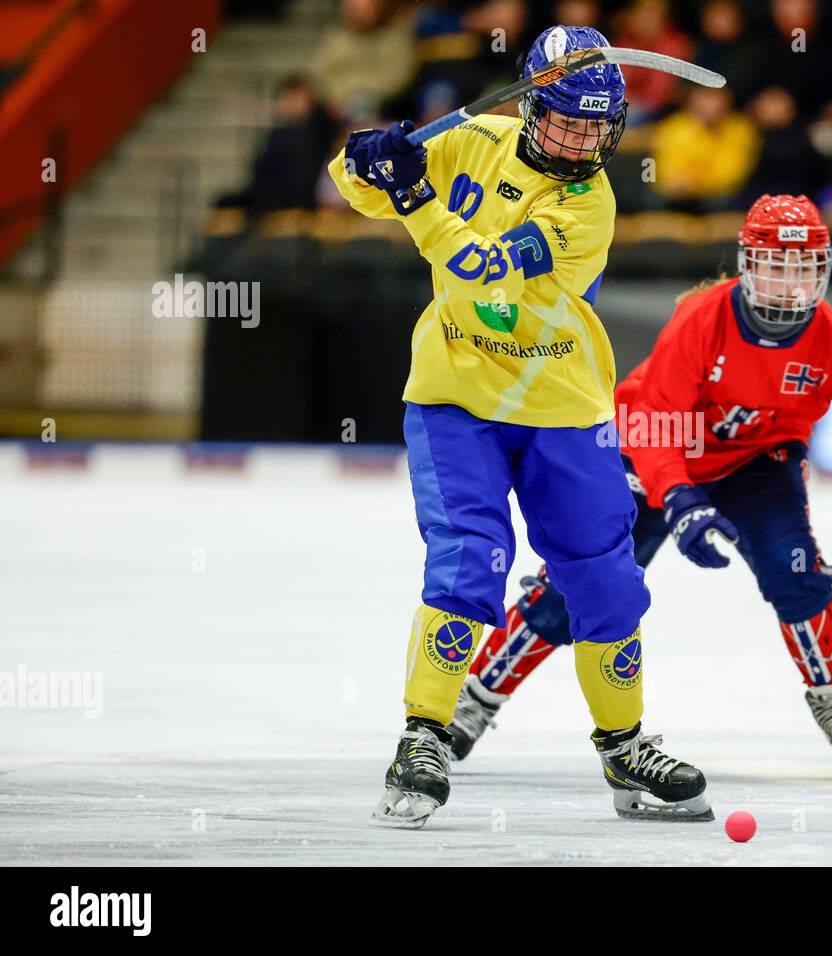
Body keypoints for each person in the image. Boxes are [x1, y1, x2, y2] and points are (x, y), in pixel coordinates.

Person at [327, 25, 711, 826]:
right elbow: (357, 185)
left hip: (562, 406)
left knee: (604, 577)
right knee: (472, 557)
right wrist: (368, 157)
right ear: (534, 105)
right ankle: (425, 735)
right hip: (455, 397)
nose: (579, 142)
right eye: (566, 121)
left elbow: (481, 269)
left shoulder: (590, 204)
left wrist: (413, 198)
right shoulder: (471, 142)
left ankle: (624, 743)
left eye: (595, 129)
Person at [445, 194, 832, 781]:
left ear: (823, 273)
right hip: (649, 450)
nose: (787, 287)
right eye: (776, 269)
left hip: (755, 460)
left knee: (795, 569)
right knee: (580, 588)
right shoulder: (702, 318)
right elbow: (655, 419)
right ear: (749, 266)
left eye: (802, 271)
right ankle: (476, 697)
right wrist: (680, 500)